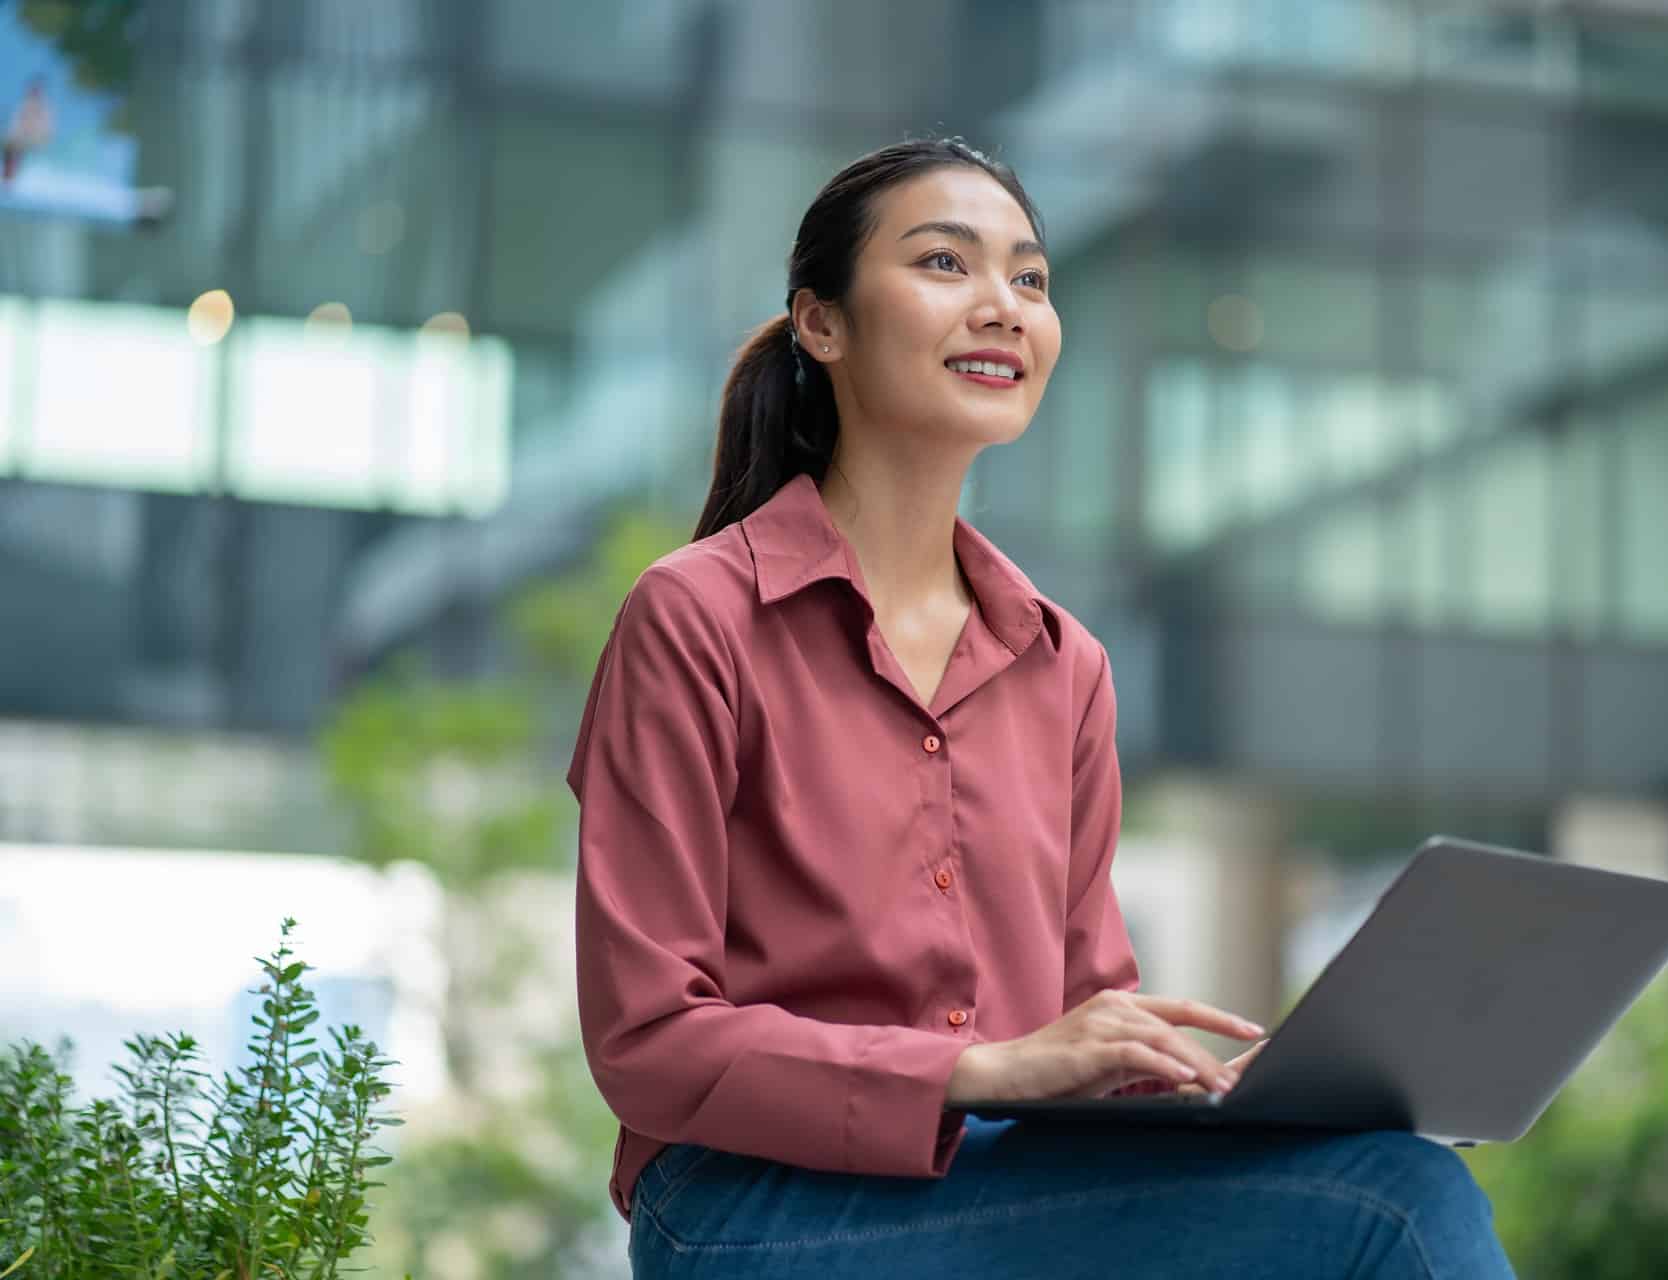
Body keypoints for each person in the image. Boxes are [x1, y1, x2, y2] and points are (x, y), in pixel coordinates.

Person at [570, 136, 1516, 1279]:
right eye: (943, 264)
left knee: (1382, 1166)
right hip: (746, 1202)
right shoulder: (696, 616)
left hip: (1004, 1185)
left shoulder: (1064, 664)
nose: (1001, 307)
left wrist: (1208, 1085)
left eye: (1029, 279)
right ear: (821, 323)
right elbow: (646, 1041)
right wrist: (977, 1071)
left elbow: (1080, 1015)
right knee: (1396, 1208)